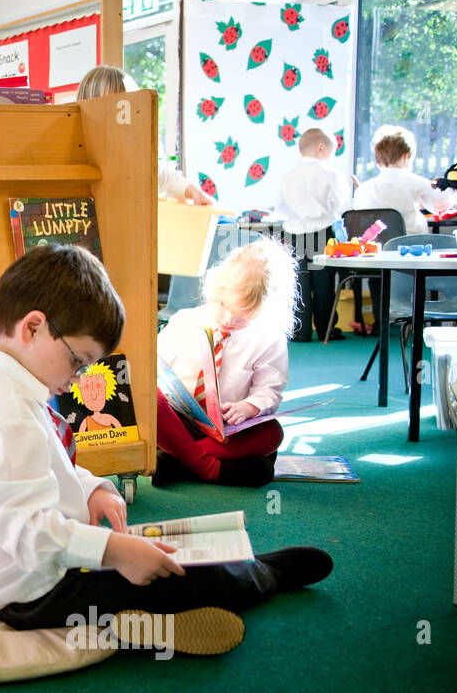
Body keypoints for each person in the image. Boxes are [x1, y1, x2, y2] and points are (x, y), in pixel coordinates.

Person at [0, 244, 332, 648]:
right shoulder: (3, 419)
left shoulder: (1, 389)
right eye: (78, 361)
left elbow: (41, 465)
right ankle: (259, 576)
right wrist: (114, 552)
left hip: (28, 569)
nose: (76, 379)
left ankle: (159, 607)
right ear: (33, 328)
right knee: (176, 575)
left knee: (157, 552)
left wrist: (92, 487)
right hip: (29, 593)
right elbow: (31, 536)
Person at [155, 236, 297, 487]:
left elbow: (269, 391)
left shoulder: (269, 339)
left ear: (264, 310)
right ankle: (208, 467)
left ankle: (179, 460)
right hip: (179, 420)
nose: (228, 319)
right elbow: (154, 365)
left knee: (272, 434)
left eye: (242, 316)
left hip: (227, 430)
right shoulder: (185, 321)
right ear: (215, 291)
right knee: (151, 401)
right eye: (222, 305)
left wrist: (248, 407)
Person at [76, 65, 213, 206]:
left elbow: (163, 178)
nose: (120, 118)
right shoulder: (82, 150)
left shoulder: (132, 151)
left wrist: (190, 190)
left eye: (125, 109)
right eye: (113, 109)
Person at [275, 127, 351, 341]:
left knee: (297, 282)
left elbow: (279, 207)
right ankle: (328, 329)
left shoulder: (287, 175)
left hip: (293, 233)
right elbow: (343, 205)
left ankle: (300, 331)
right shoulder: (331, 173)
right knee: (324, 283)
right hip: (322, 231)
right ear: (321, 148)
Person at [354, 124, 457, 235]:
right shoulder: (417, 182)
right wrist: (455, 186)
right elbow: (440, 207)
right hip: (412, 244)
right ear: (406, 157)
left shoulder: (363, 189)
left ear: (378, 161)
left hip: (377, 248)